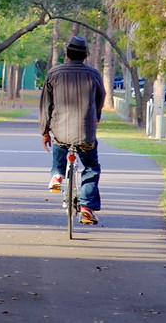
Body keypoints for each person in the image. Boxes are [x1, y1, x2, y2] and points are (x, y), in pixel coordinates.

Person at [39, 35, 106, 225]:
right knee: (91, 168)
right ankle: (86, 207)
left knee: (60, 143)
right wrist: (96, 117)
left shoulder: (54, 73)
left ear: (67, 54)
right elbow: (100, 99)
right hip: (86, 133)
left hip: (60, 130)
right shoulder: (94, 75)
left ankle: (57, 175)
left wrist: (45, 132)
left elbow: (46, 105)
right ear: (85, 55)